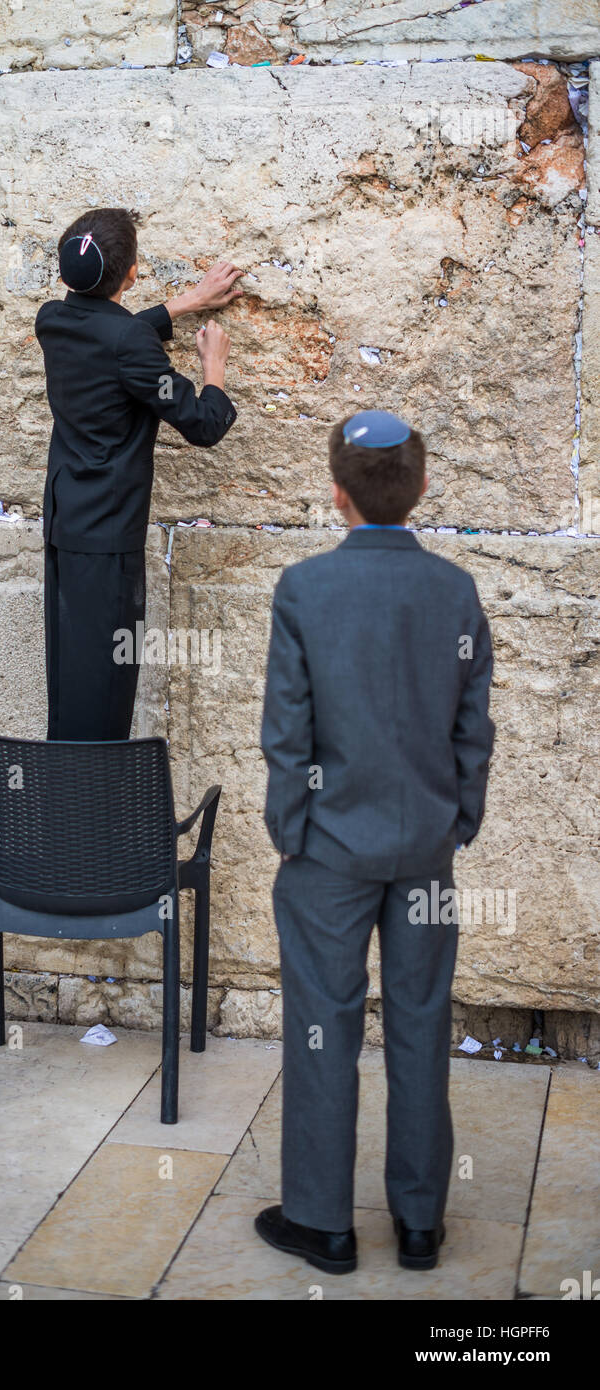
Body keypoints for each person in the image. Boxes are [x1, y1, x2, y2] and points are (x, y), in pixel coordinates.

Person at [257, 409, 495, 1274]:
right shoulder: (455, 591)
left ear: (336, 495)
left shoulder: (304, 590)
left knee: (324, 1021)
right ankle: (421, 1223)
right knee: (422, 1022)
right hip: (425, 844)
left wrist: (290, 827)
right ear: (422, 489)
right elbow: (475, 728)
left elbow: (287, 731)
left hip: (330, 846)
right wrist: (457, 819)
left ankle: (323, 1221)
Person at [35, 207, 241, 741]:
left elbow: (115, 336)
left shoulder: (52, 322)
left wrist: (189, 301)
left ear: (66, 275)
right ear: (130, 275)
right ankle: (95, 813)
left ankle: (67, 811)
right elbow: (203, 422)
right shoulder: (128, 345)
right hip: (107, 549)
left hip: (65, 532)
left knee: (72, 693)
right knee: (103, 702)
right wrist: (214, 367)